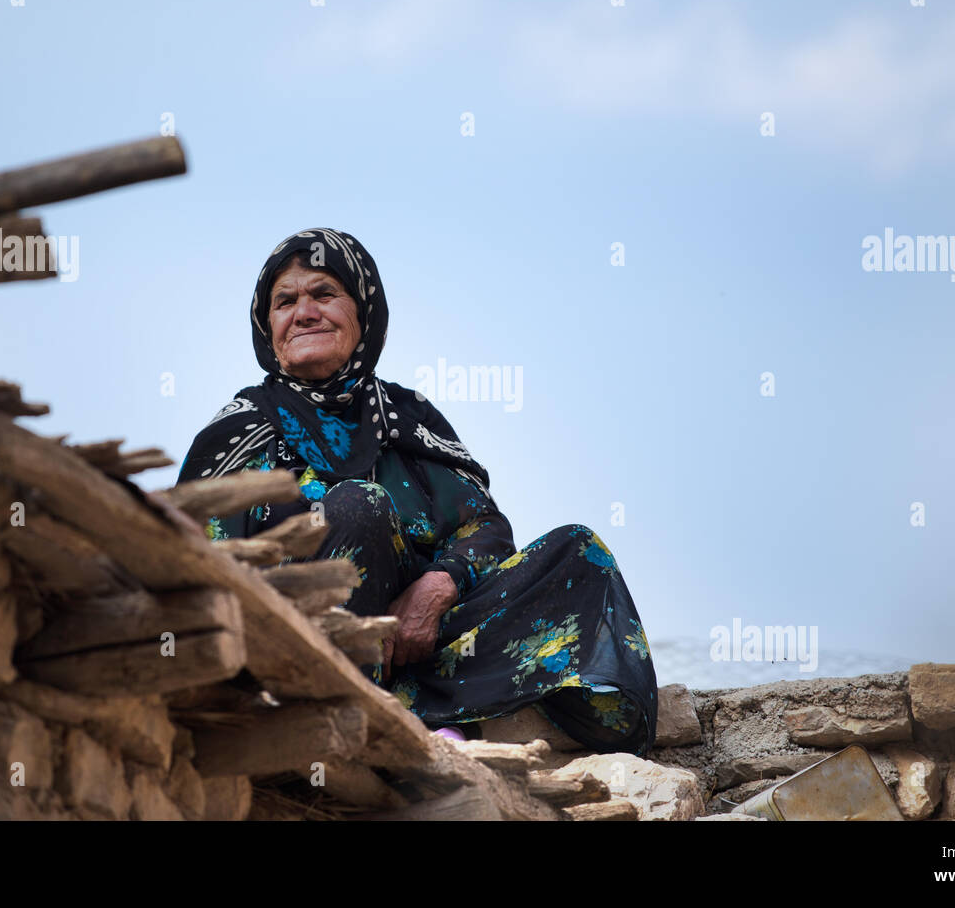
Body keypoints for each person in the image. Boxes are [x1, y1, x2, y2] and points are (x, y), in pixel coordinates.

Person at [176, 228, 659, 755]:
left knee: (575, 549)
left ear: (364, 315)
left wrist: (437, 584)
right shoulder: (237, 433)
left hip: (423, 646)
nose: (304, 311)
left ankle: (418, 708)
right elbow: (196, 568)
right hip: (293, 652)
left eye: (324, 294)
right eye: (285, 301)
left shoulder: (408, 417)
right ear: (267, 328)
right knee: (360, 504)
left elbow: (485, 528)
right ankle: (361, 713)